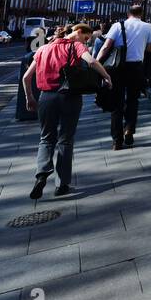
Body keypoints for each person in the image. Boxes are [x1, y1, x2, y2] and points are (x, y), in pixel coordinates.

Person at [22, 22, 112, 199]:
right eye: (85, 38)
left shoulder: (43, 49)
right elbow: (92, 61)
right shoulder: (76, 45)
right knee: (65, 139)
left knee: (46, 138)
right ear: (78, 32)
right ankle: (62, 184)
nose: (86, 42)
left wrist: (29, 97)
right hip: (69, 96)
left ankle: (41, 174)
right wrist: (106, 76)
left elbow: (26, 77)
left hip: (46, 97)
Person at [97, 4, 151, 149]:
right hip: (136, 67)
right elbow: (150, 48)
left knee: (116, 103)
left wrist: (97, 63)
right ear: (141, 14)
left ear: (128, 13)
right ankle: (129, 128)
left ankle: (117, 140)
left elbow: (106, 46)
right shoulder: (148, 27)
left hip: (117, 68)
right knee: (133, 100)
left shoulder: (118, 26)